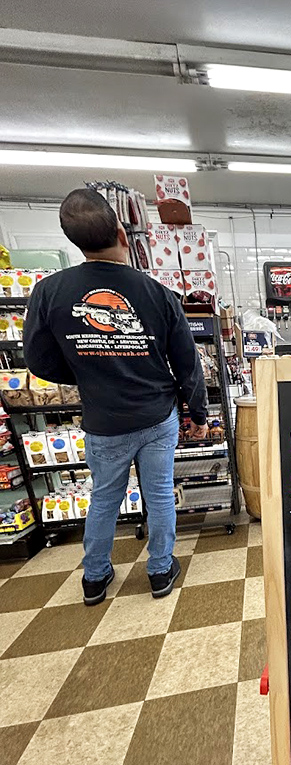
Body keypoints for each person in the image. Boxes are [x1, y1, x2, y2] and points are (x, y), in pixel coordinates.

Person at [23, 188, 209, 605]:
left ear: (74, 240)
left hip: (103, 421)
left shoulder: (49, 292)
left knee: (104, 496)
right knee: (158, 493)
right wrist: (197, 411)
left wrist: (87, 374)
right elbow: (186, 361)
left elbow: (37, 361)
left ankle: (94, 577)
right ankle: (160, 571)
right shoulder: (158, 292)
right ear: (123, 234)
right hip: (157, 416)